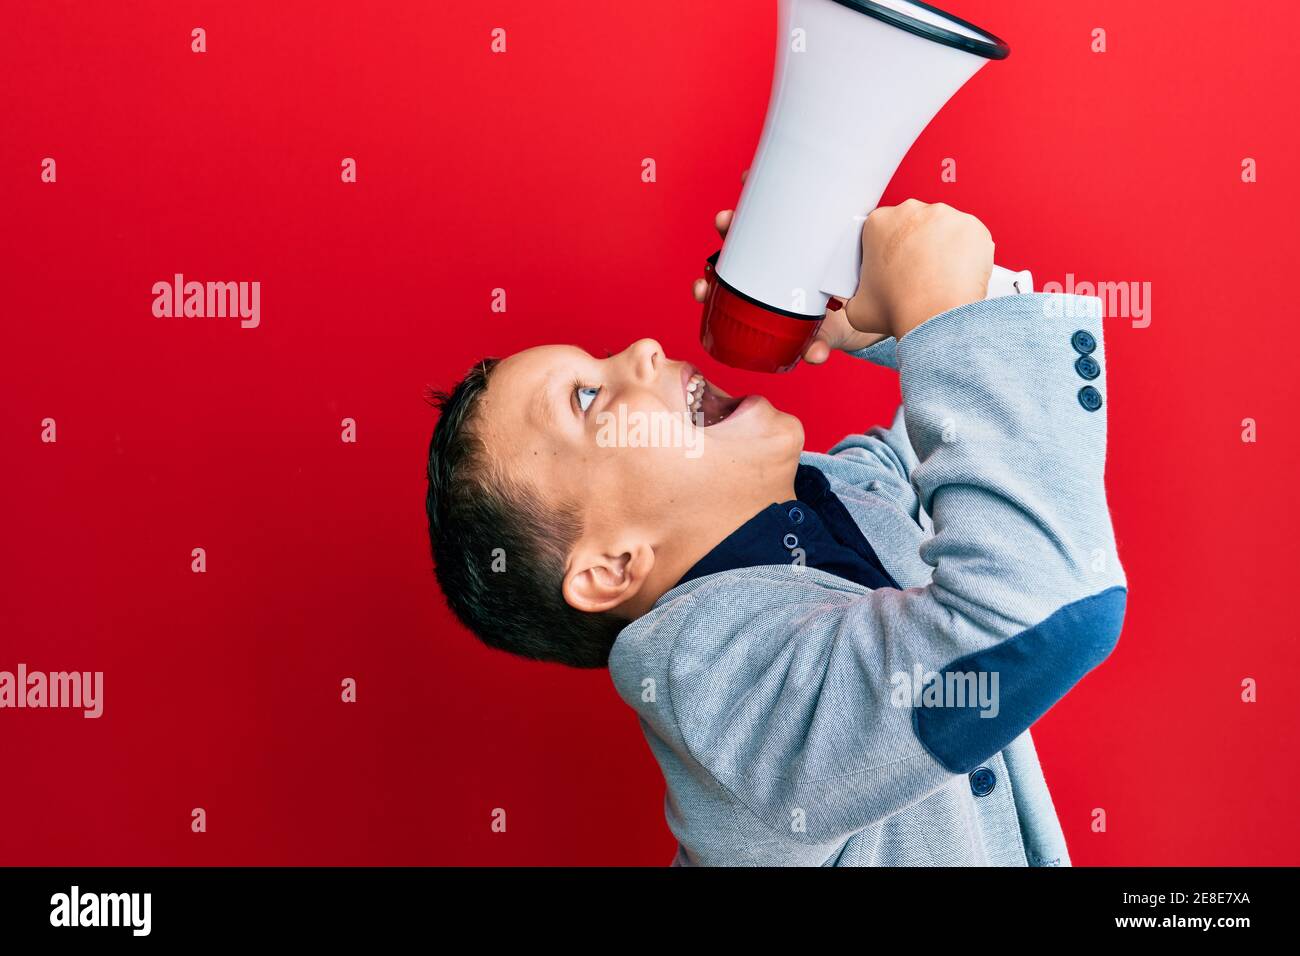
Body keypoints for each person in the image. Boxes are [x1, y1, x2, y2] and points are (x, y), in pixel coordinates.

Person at [424, 198, 1126, 865]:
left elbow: (1005, 451)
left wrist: (884, 315)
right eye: (586, 397)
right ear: (611, 566)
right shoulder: (715, 689)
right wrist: (942, 315)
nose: (641, 348)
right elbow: (1042, 610)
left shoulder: (844, 489)